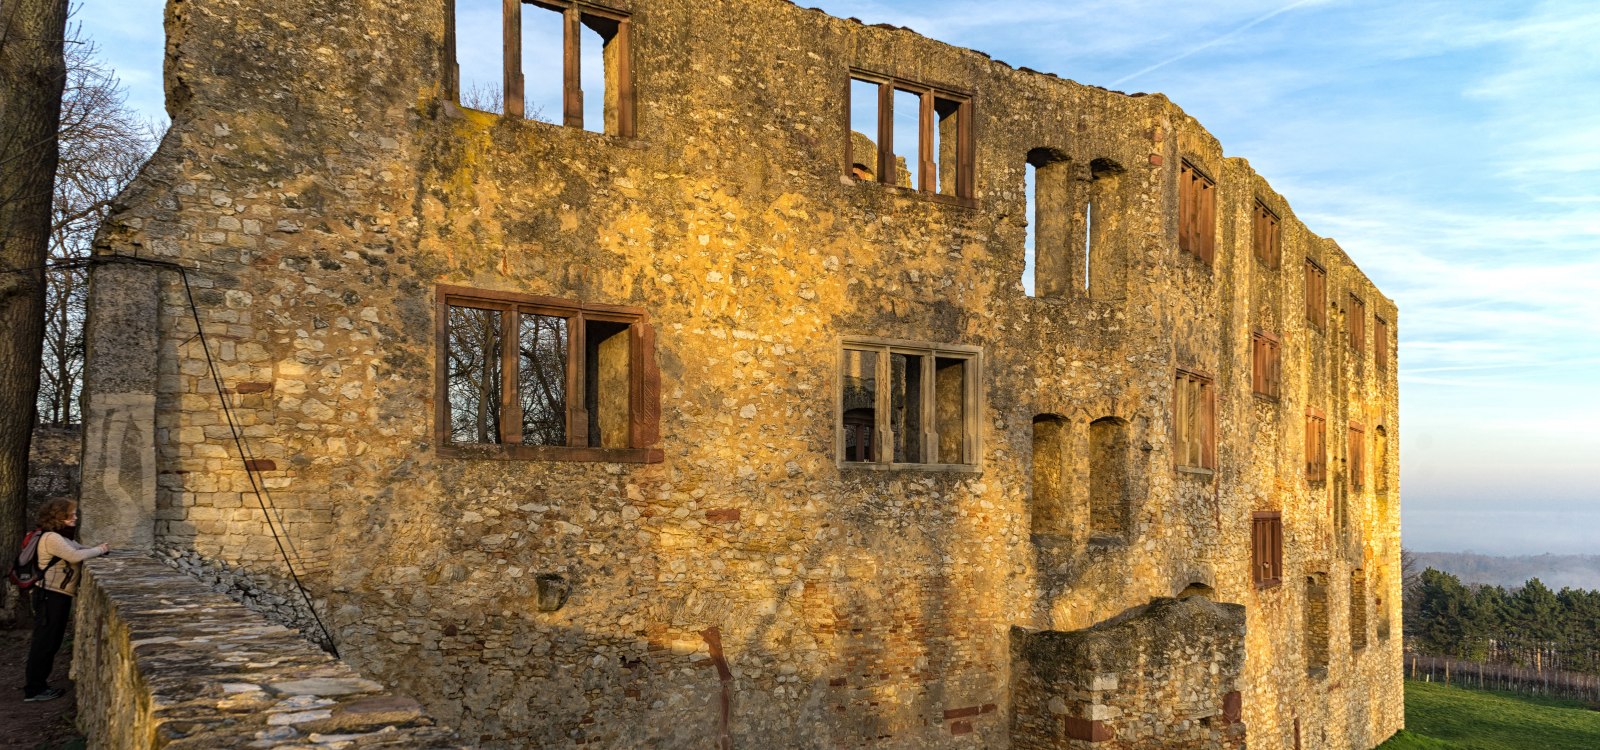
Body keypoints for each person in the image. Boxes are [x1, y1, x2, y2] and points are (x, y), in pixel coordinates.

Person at [23, 499, 109, 702]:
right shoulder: (52, 537)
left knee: (51, 641)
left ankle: (37, 685)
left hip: (56, 596)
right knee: (45, 643)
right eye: (72, 514)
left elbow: (80, 548)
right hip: (49, 596)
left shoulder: (61, 536)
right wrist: (100, 550)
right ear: (59, 516)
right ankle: (34, 689)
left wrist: (97, 549)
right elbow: (74, 556)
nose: (76, 517)